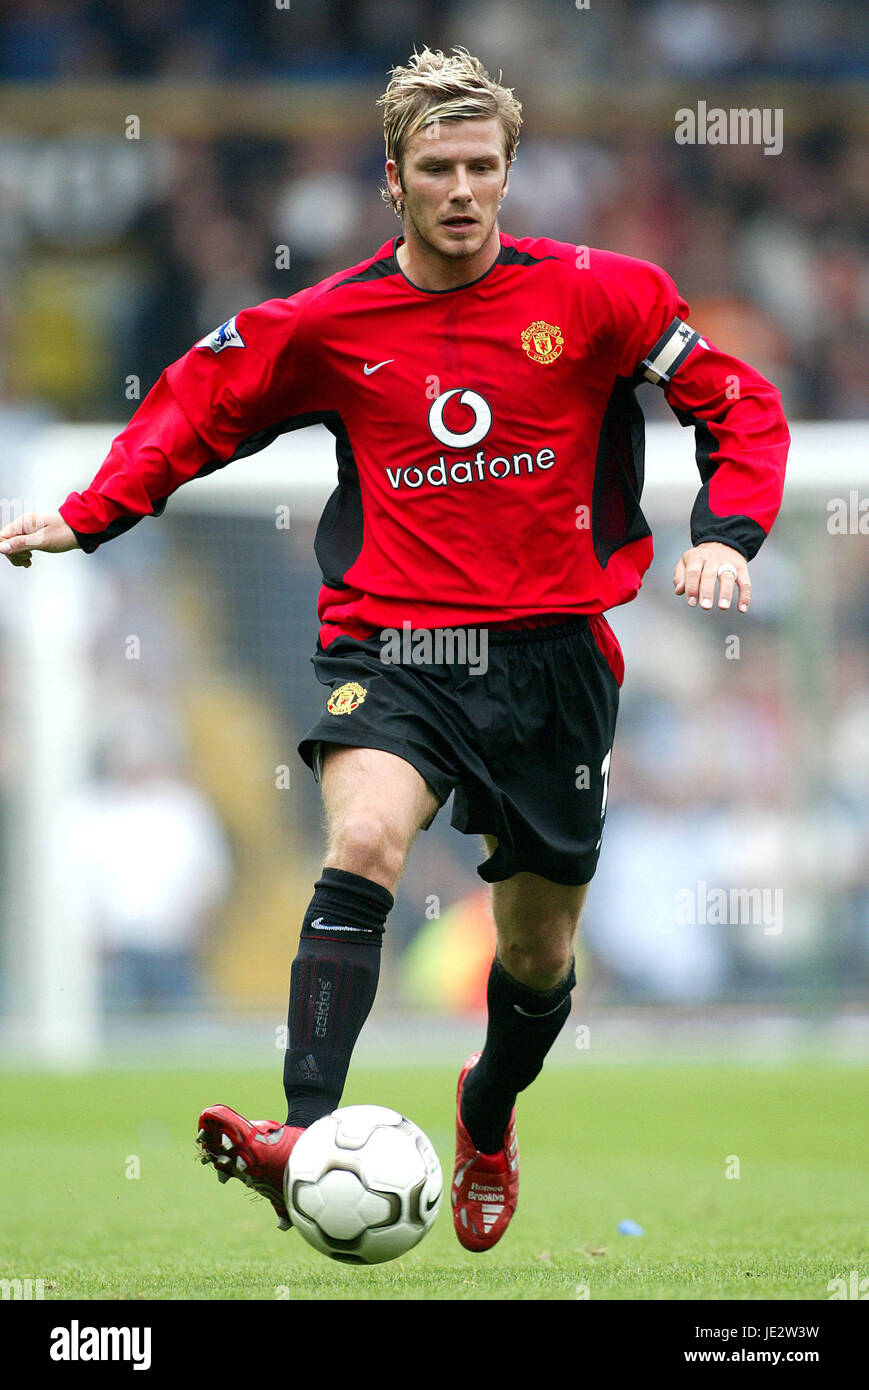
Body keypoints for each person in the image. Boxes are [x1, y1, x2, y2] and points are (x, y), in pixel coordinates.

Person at [0, 47, 789, 1252]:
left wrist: (727, 530)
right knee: (363, 836)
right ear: (393, 177)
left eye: (482, 166)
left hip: (553, 657)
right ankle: (302, 1134)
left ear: (510, 171)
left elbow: (738, 401)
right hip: (396, 639)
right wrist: (94, 508)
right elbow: (197, 404)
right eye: (437, 168)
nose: (462, 189)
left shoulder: (603, 295)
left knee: (535, 950)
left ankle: (484, 1112)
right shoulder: (329, 322)